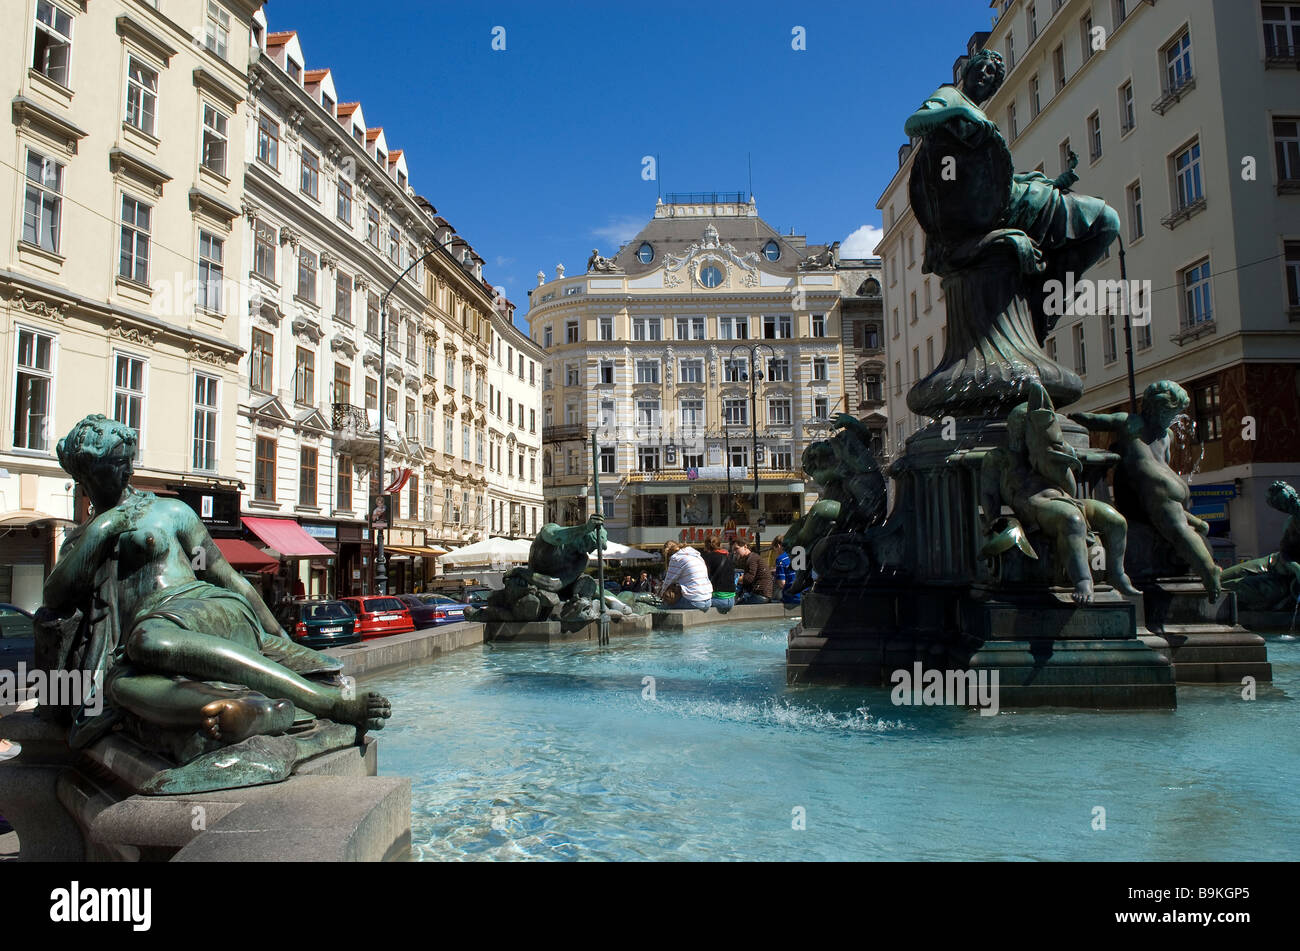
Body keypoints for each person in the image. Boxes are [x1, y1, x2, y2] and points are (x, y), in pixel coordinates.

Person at [41, 414, 391, 748]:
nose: (127, 471)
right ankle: (239, 710)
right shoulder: (84, 537)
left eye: (128, 460)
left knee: (152, 643)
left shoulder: (170, 512)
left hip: (198, 607)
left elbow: (223, 574)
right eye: (114, 465)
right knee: (122, 688)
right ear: (86, 475)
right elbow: (55, 595)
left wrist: (277, 634)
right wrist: (105, 527)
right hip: (138, 640)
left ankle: (328, 702)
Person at [657, 542, 713, 611]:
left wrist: (659, 595)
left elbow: (668, 581)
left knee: (661, 607)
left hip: (695, 601)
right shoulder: (696, 555)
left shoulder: (675, 558)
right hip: (708, 600)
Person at [700, 535, 736, 614]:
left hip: (719, 599)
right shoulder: (728, 557)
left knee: (689, 602)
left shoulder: (707, 558)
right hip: (731, 599)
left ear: (706, 546)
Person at [732, 540, 773, 604]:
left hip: (761, 595)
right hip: (761, 594)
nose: (734, 552)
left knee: (737, 606)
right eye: (733, 550)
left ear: (745, 547)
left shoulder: (752, 559)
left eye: (736, 548)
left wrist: (735, 579)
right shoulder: (751, 558)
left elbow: (748, 579)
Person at [771, 537, 800, 607]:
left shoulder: (780, 559)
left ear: (778, 546)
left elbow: (782, 584)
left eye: (775, 550)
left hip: (791, 596)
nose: (776, 552)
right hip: (802, 594)